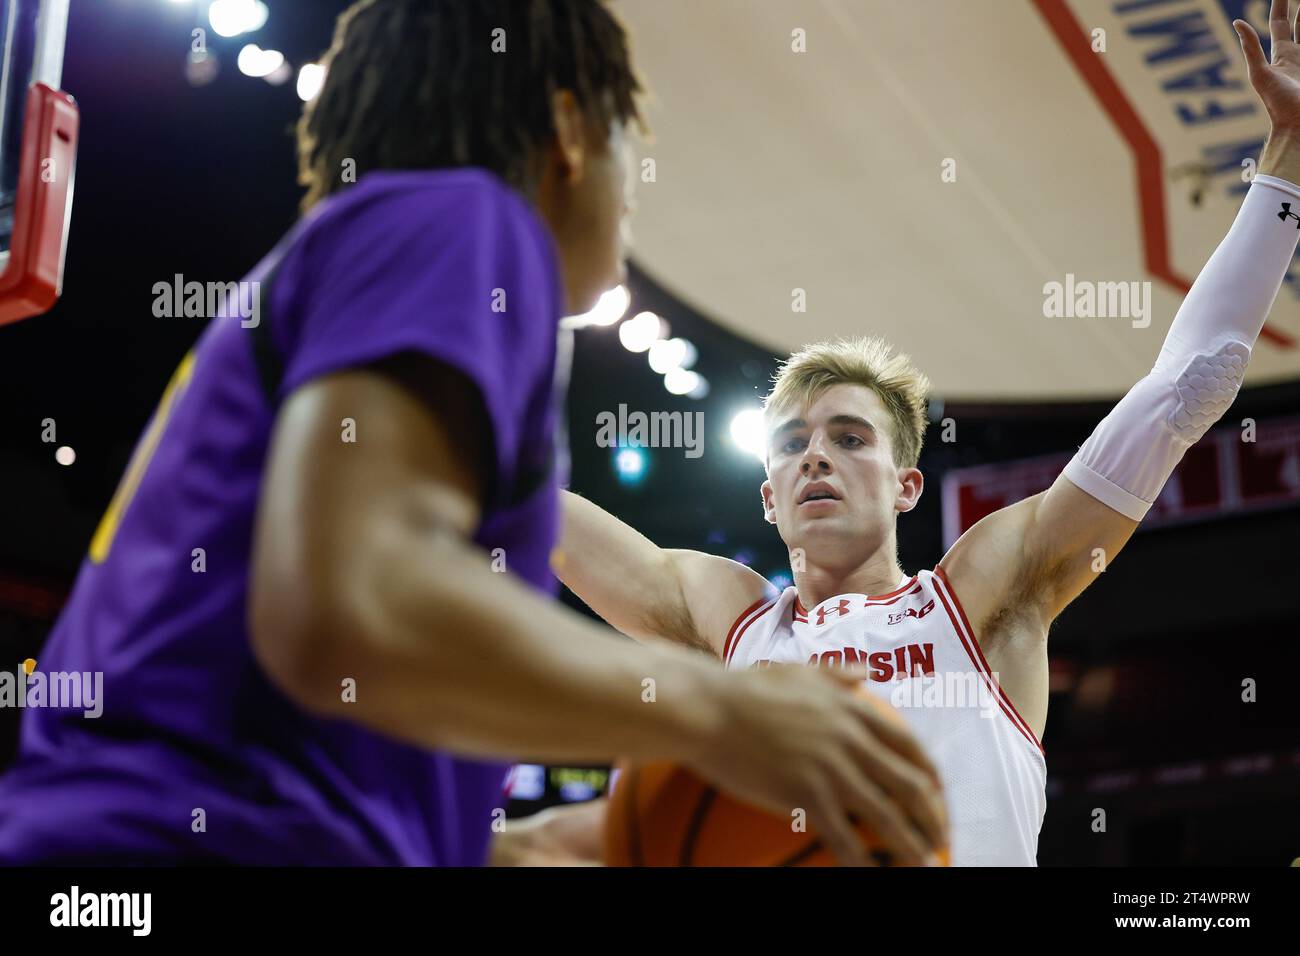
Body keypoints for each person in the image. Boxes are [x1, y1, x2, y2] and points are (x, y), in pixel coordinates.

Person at [0, 0, 946, 867]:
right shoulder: (462, 216)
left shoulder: (377, 253)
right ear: (572, 131)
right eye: (631, 139)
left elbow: (315, 683)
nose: (632, 194)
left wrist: (521, 849)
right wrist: (715, 709)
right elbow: (348, 612)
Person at [537, 3, 1300, 864]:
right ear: (769, 497)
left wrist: (1285, 162)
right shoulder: (735, 622)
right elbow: (524, 502)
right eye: (791, 444)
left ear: (907, 483)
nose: (815, 454)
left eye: (850, 438)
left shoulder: (980, 596)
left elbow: (1186, 388)